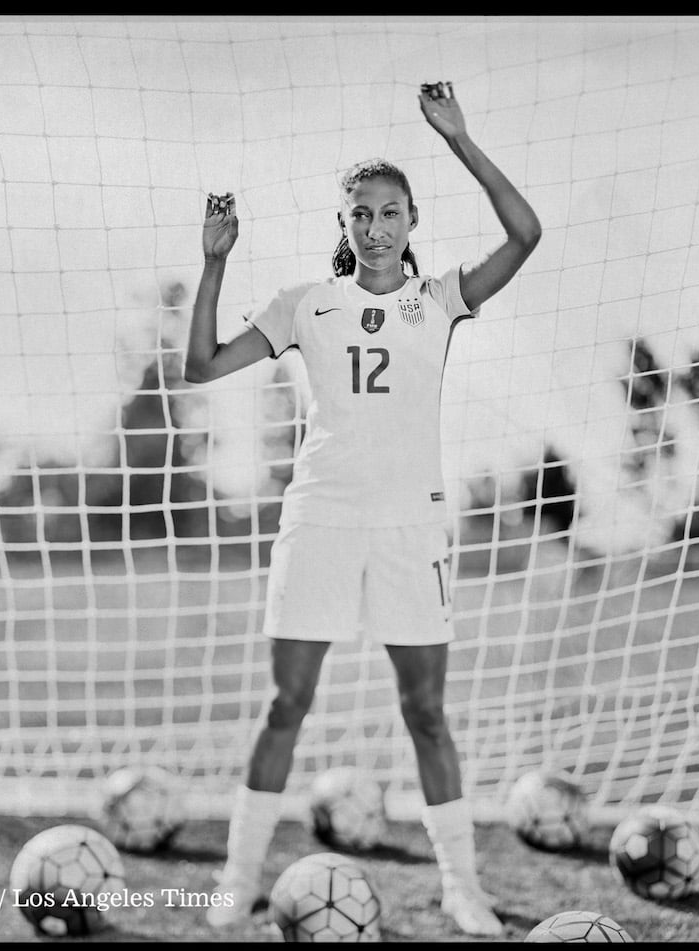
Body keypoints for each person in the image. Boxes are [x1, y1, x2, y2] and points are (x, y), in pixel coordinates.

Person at [183, 81, 541, 936]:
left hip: (412, 528)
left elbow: (525, 233)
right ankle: (236, 881)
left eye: (390, 212)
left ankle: (462, 886)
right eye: (360, 214)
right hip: (320, 522)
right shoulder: (306, 303)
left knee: (425, 710)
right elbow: (200, 366)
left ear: (412, 220)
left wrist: (459, 137)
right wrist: (214, 260)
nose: (375, 227)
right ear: (342, 225)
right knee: (287, 704)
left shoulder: (440, 299)